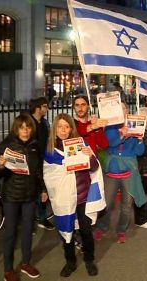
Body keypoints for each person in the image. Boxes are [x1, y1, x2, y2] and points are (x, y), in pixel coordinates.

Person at [43, 114, 102, 277]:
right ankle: (70, 262)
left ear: (71, 128)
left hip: (82, 195)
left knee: (86, 231)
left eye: (67, 126)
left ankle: (89, 260)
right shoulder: (49, 150)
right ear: (55, 129)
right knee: (66, 230)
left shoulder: (80, 143)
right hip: (63, 199)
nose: (63, 130)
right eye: (60, 126)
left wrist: (89, 155)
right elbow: (48, 175)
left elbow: (94, 167)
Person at [0, 114, 47, 281]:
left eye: (28, 127)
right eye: (22, 127)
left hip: (30, 195)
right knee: (10, 232)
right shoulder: (7, 144)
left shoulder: (35, 145)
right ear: (16, 129)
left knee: (27, 231)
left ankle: (25, 263)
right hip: (11, 195)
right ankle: (8, 270)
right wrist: (0, 165)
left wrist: (43, 189)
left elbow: (39, 170)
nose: (26, 130)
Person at [94, 102, 146, 243]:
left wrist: (140, 140)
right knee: (107, 203)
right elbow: (110, 144)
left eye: (123, 108)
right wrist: (123, 134)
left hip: (129, 171)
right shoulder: (110, 126)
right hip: (113, 170)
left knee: (126, 205)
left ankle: (121, 230)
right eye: (119, 108)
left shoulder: (135, 124)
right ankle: (101, 227)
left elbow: (139, 152)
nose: (121, 110)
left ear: (127, 110)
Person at [29, 97, 55, 231]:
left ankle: (42, 218)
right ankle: (31, 221)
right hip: (30, 161)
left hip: (43, 160)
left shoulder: (44, 123)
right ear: (38, 108)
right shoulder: (28, 122)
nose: (47, 109)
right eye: (45, 106)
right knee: (32, 192)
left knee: (42, 191)